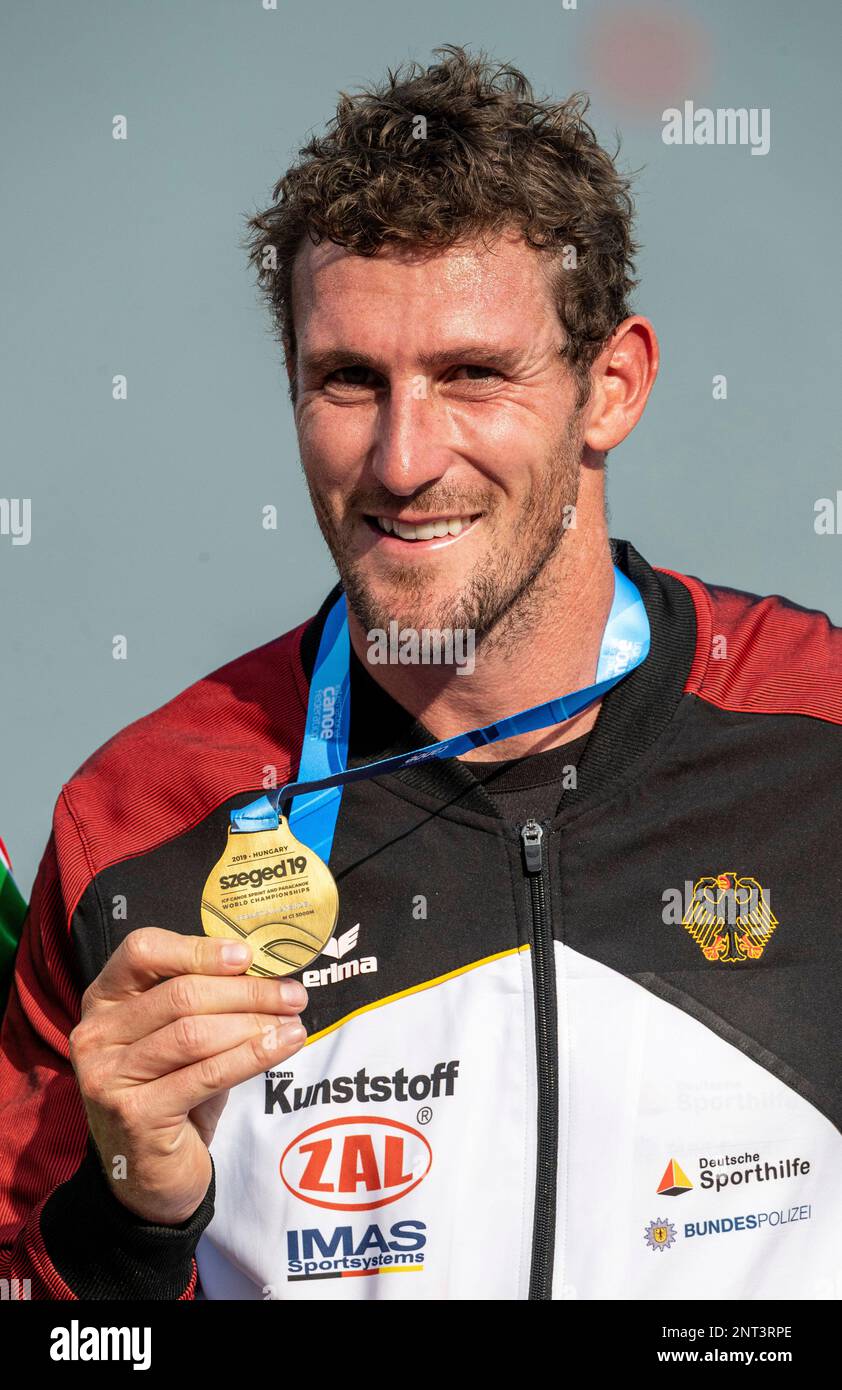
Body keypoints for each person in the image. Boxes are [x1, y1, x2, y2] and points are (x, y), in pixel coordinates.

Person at [1, 44, 840, 1302]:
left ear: (609, 386)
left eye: (471, 376)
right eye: (348, 381)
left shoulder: (817, 732)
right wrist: (128, 1221)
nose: (401, 458)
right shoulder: (137, 824)